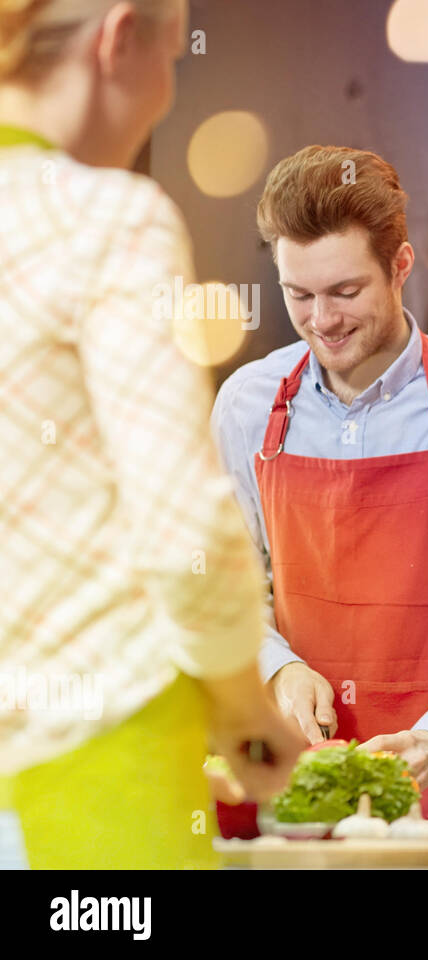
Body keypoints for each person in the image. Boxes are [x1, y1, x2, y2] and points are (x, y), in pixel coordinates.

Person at [0, 0, 299, 869]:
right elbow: (181, 530)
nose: (163, 96)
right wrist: (244, 707)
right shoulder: (107, 218)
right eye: (171, 57)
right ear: (118, 35)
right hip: (102, 743)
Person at [211, 145, 428, 821]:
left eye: (345, 292)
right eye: (298, 295)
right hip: (294, 785)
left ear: (400, 267)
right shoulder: (248, 407)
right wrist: (278, 667)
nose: (322, 321)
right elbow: (228, 592)